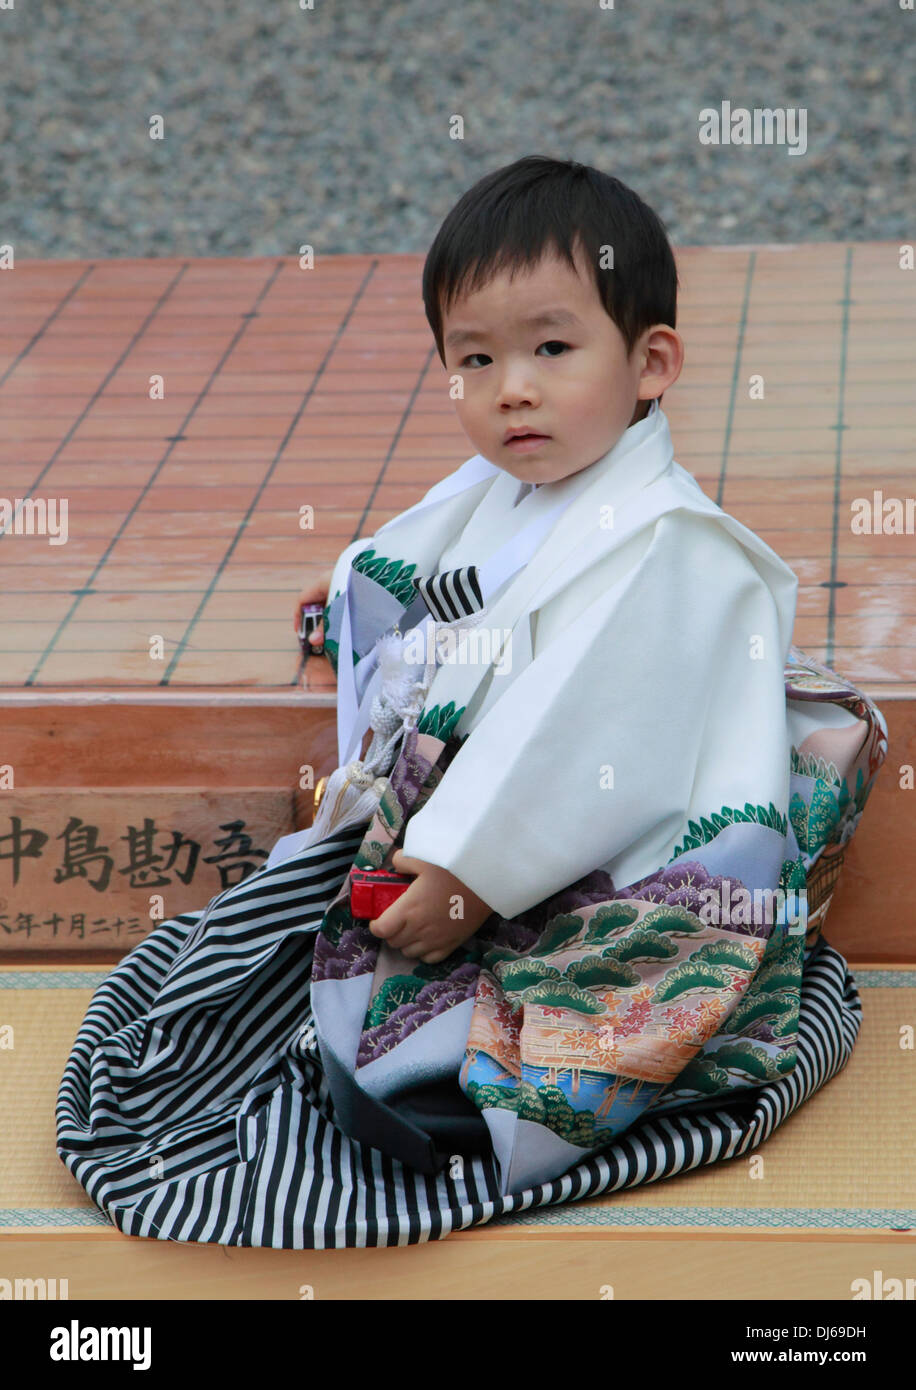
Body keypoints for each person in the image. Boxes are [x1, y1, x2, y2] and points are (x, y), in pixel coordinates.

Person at [57, 156, 887, 1248]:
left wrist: (468, 875)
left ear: (650, 361)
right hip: (501, 835)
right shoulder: (526, 487)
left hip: (618, 864)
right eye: (476, 358)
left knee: (433, 1027)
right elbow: (441, 559)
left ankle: (445, 1086)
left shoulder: (678, 551)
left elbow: (589, 728)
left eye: (552, 348)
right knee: (250, 974)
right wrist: (361, 584)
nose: (513, 389)